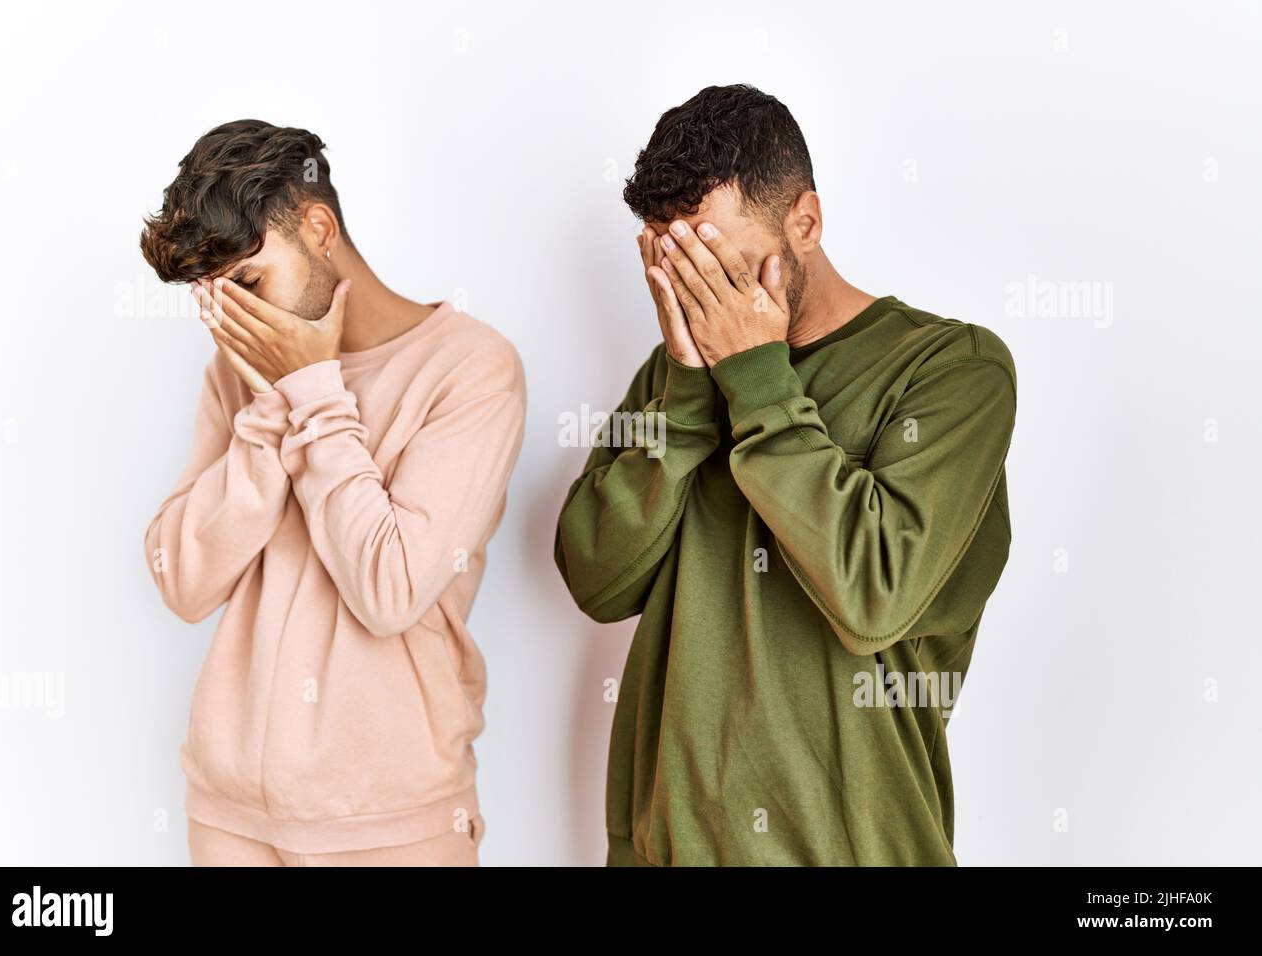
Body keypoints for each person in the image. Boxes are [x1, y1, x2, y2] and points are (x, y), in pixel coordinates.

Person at [555, 85, 1017, 865]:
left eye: (721, 264)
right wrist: (693, 392)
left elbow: (872, 592)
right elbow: (596, 579)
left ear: (805, 221)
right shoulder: (677, 373)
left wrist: (758, 380)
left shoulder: (951, 370)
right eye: (678, 269)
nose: (703, 297)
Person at [141, 120, 524, 866]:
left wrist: (312, 391)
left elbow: (389, 587)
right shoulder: (236, 374)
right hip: (229, 820)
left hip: (392, 824)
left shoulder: (471, 369)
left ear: (319, 229)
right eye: (218, 301)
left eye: (250, 285)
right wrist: (265, 412)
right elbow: (183, 582)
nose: (238, 324)